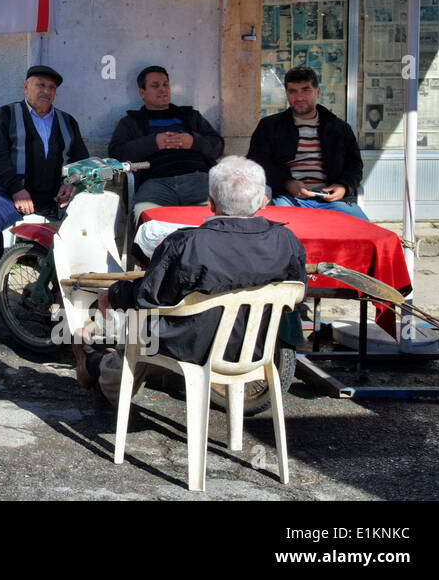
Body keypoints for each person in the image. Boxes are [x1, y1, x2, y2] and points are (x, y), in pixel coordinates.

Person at [73, 156, 306, 407]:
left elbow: (148, 296)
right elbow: (295, 293)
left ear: (211, 204)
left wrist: (114, 294)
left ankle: (97, 366)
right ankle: (106, 366)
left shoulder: (186, 244)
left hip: (190, 347)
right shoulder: (287, 241)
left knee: (142, 326)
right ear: (263, 202)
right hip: (257, 347)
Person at [0, 65, 88, 307]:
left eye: (51, 88)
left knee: (88, 213)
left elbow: (81, 161)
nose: (46, 91)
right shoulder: (6, 115)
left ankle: (68, 281)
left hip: (55, 196)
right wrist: (16, 188)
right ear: (26, 87)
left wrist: (71, 184)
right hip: (11, 192)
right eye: (40, 85)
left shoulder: (68, 121)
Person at [246, 66, 368, 221]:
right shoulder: (269, 126)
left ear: (317, 92)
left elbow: (355, 166)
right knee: (278, 229)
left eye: (306, 90)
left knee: (361, 228)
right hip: (287, 199)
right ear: (286, 94)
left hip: (332, 200)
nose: (299, 97)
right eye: (293, 91)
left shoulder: (339, 128)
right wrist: (286, 183)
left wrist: (343, 186)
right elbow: (257, 163)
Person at [109, 65, 224, 219]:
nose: (162, 89)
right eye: (155, 86)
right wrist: (153, 143)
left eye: (165, 85)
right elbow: (117, 155)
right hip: (156, 183)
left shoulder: (190, 116)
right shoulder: (131, 122)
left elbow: (218, 146)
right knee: (145, 216)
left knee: (216, 216)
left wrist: (194, 142)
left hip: (197, 179)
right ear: (142, 92)